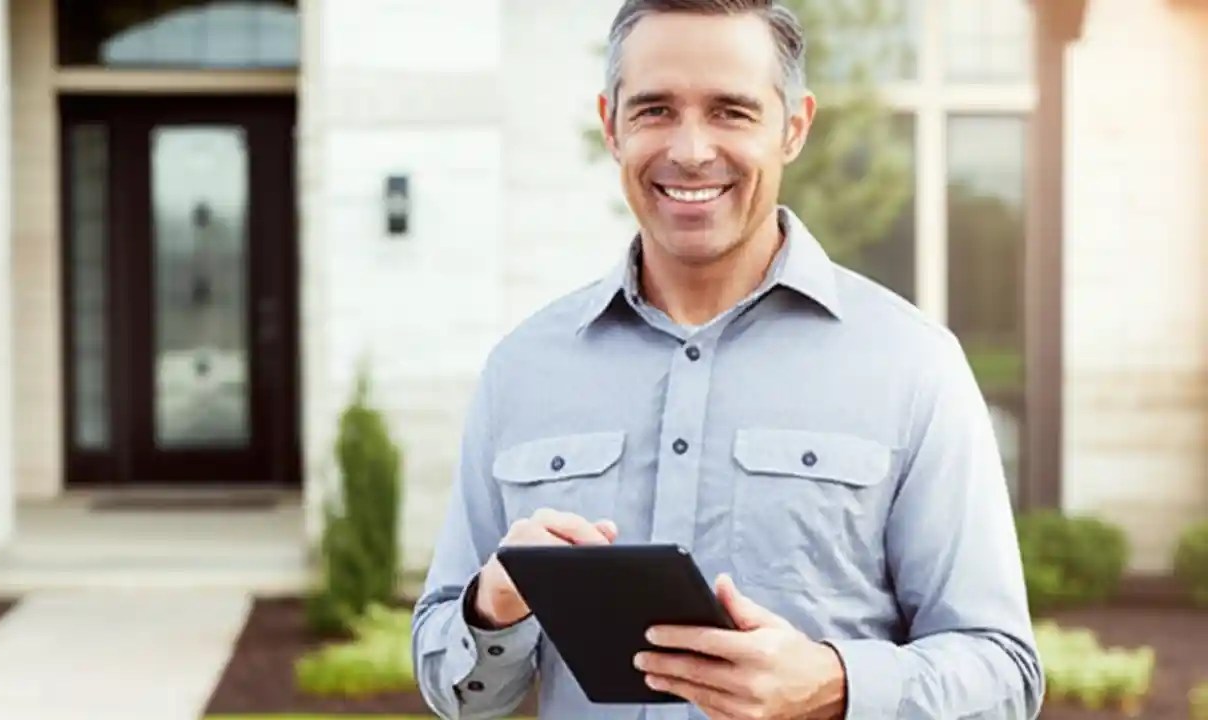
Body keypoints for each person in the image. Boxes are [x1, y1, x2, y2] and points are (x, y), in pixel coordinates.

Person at [411, 1, 1045, 718]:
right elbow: (457, 692)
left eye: (731, 112)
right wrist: (494, 605)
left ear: (794, 128)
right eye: (654, 110)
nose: (689, 149)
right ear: (611, 124)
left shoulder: (913, 364)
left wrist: (838, 684)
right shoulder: (522, 371)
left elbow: (1003, 674)